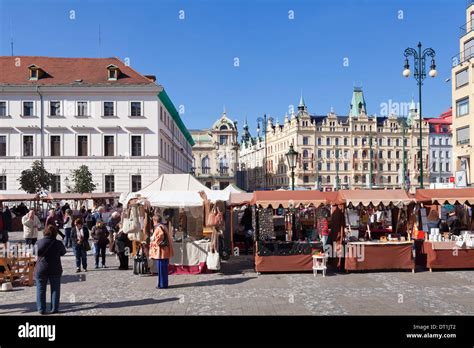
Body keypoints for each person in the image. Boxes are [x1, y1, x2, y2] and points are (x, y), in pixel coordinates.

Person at [35, 225, 66, 315]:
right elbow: (63, 252)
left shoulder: (38, 242)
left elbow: (34, 252)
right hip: (55, 268)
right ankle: (54, 308)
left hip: (41, 268)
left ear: (45, 232)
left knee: (40, 289)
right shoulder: (58, 243)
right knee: (55, 289)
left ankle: (41, 309)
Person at [149, 215, 174, 289]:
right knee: (163, 269)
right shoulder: (163, 226)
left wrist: (154, 243)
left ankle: (162, 284)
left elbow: (160, 237)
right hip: (164, 251)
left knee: (161, 269)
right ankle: (162, 284)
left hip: (161, 251)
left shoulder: (159, 228)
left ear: (155, 220)